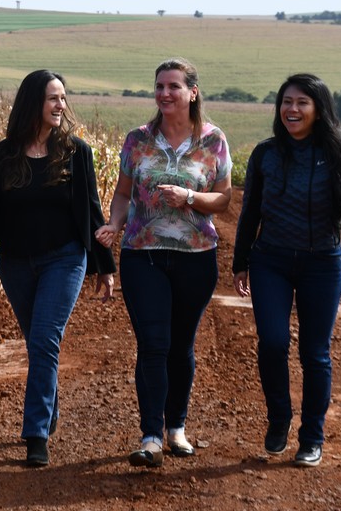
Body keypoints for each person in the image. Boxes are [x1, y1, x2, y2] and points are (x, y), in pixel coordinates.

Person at [0, 69, 116, 468]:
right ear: (33, 102)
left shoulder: (77, 152)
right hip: (15, 263)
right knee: (38, 345)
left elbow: (92, 211)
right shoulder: (2, 156)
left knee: (45, 340)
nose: (61, 105)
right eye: (53, 98)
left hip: (64, 259)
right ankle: (48, 413)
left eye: (63, 98)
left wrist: (105, 267)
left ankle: (35, 436)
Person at [232, 73, 341, 468]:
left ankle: (312, 436)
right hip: (271, 260)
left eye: (302, 103)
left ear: (318, 109)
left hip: (322, 263)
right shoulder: (265, 154)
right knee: (274, 342)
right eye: (286, 102)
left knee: (315, 353)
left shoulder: (339, 155)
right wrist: (240, 261)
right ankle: (279, 419)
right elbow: (249, 213)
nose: (292, 110)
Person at [96, 57, 232, 467]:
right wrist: (115, 224)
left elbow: (223, 200)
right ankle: (151, 436)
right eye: (159, 86)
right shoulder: (138, 139)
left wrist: (190, 197)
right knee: (153, 344)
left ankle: (177, 428)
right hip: (144, 254)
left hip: (196, 256)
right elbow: (122, 193)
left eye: (174, 86)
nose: (164, 93)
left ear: (193, 92)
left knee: (181, 346)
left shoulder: (213, 141)